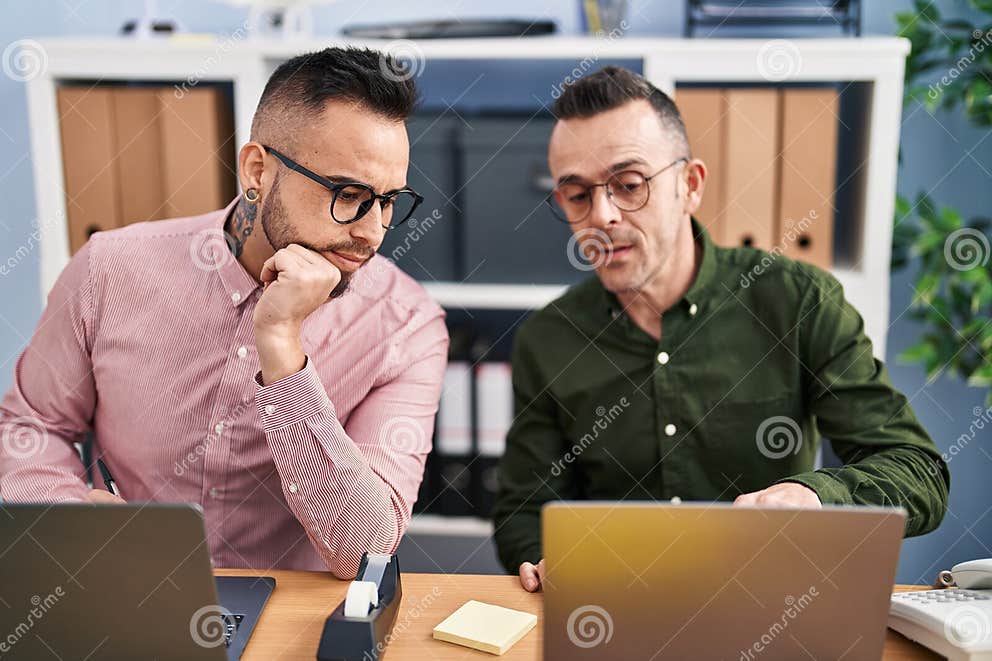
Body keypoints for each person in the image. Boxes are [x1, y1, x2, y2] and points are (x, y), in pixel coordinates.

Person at [492, 66, 949, 592]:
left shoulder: (797, 301)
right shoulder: (548, 339)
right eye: (577, 195)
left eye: (629, 185)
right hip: (614, 609)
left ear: (690, 186)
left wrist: (815, 497)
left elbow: (919, 472)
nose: (603, 215)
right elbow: (523, 509)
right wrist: (546, 560)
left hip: (775, 606)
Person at [0, 47, 449, 579]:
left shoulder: (407, 325)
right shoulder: (109, 270)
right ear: (257, 170)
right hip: (121, 588)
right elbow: (29, 426)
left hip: (289, 630)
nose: (372, 231)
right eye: (349, 194)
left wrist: (283, 347)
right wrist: (72, 521)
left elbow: (365, 551)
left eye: (389, 200)